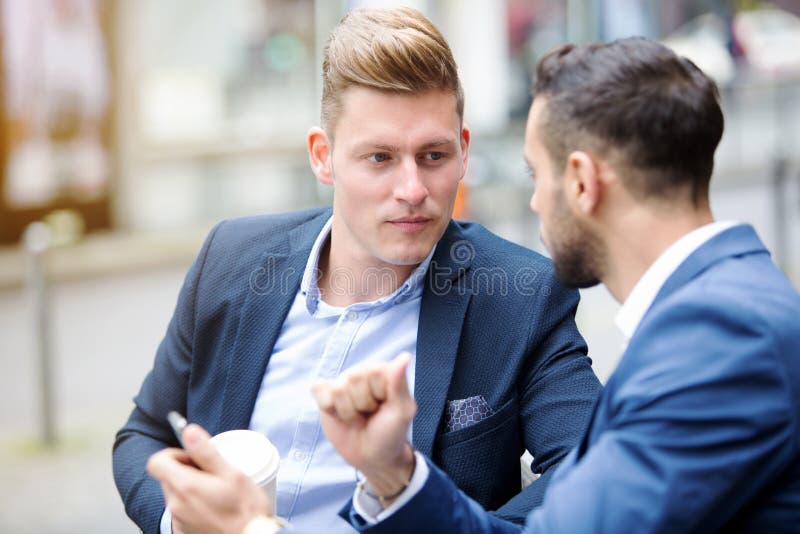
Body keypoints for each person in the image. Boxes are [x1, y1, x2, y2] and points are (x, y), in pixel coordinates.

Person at [117, 7, 601, 534]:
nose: (412, 189)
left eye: (433, 156)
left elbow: (591, 479)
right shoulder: (232, 258)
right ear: (323, 157)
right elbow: (145, 432)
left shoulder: (522, 294)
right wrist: (181, 522)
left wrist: (408, 489)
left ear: (463, 152)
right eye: (379, 158)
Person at [311, 37, 800, 532]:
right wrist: (393, 475)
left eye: (535, 174)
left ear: (582, 182)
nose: (535, 203)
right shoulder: (724, 313)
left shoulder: (720, 340)